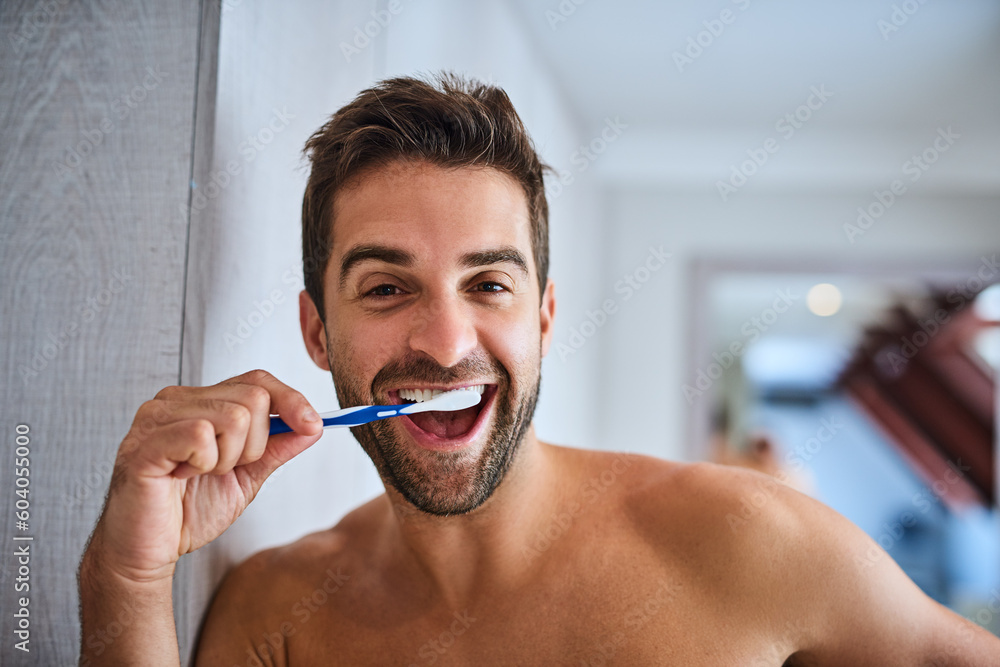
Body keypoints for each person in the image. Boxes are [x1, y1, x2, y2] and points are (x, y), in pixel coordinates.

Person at [78, 74, 1000, 666]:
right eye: (388, 287)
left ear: (545, 318)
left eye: (488, 282)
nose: (444, 342)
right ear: (317, 333)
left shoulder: (748, 542)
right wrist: (125, 576)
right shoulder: (271, 620)